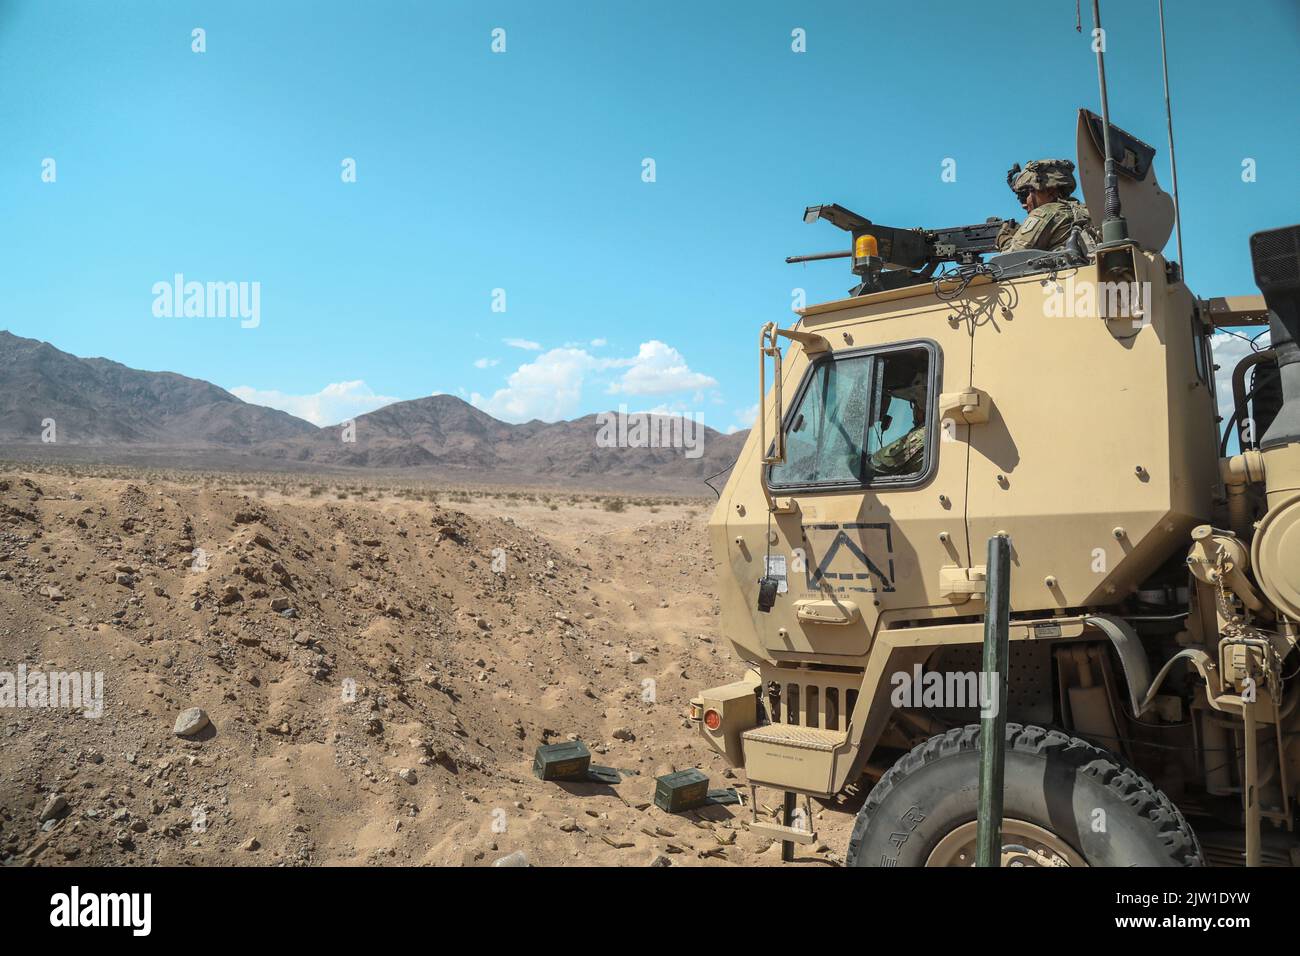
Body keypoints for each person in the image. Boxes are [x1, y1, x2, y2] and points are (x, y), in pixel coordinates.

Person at [994, 159, 1097, 253]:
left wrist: (1004, 238)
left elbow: (1013, 257)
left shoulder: (1047, 211)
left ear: (1050, 191)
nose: (1024, 204)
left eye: (1025, 194)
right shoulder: (1082, 210)